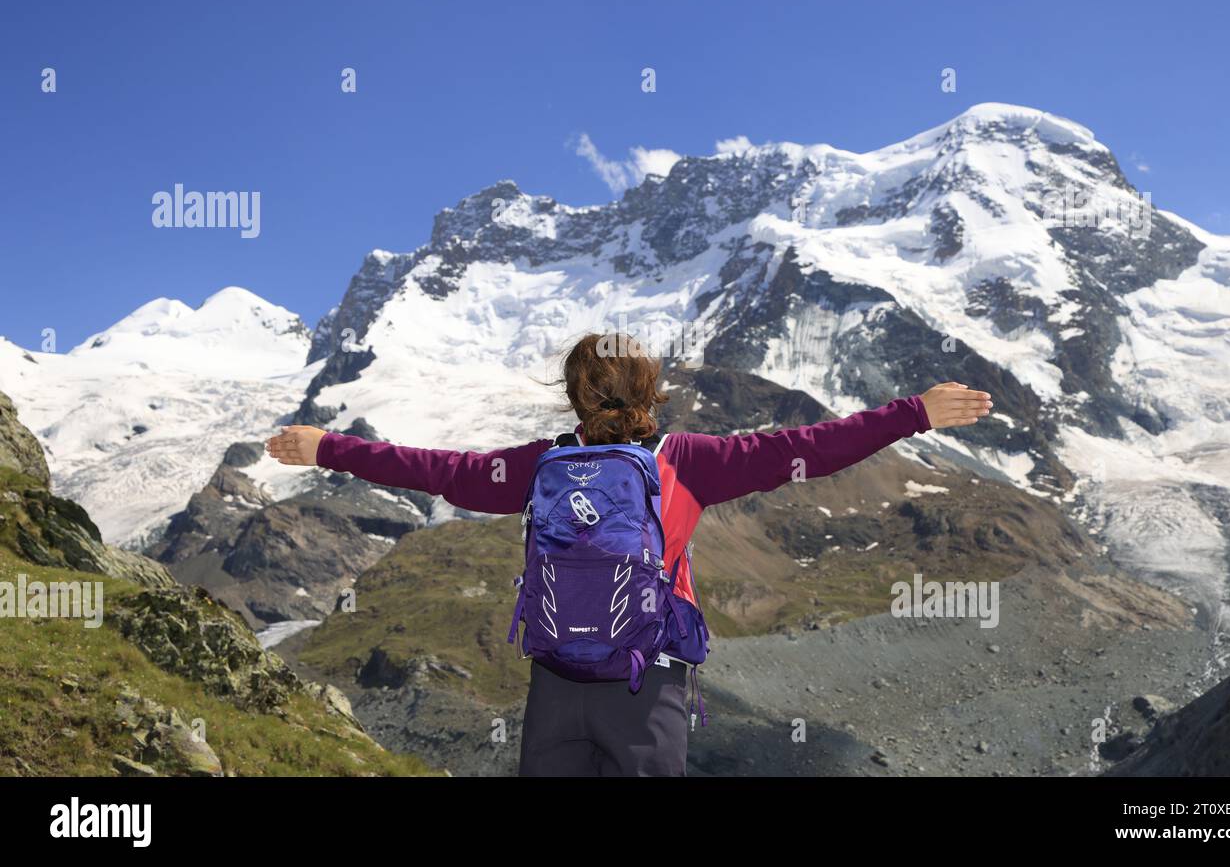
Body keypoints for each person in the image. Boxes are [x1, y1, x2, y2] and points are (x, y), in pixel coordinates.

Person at [265, 332, 994, 775]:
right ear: (653, 390)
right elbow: (809, 448)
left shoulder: (542, 464)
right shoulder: (690, 458)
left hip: (555, 679)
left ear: (575, 395)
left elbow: (437, 469)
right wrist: (915, 411)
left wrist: (328, 446)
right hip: (649, 685)